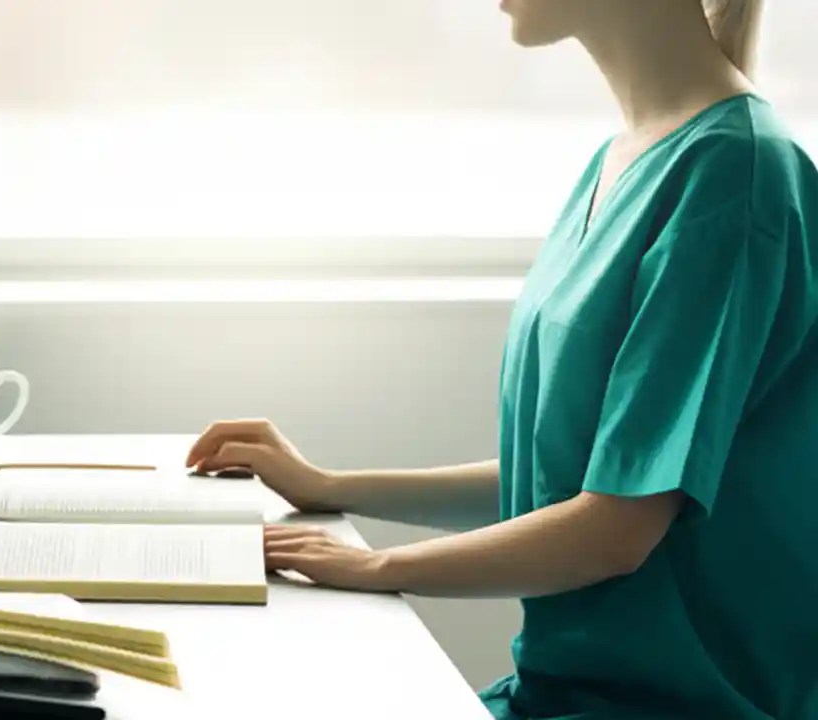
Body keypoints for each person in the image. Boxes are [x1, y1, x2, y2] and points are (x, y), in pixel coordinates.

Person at [186, 1, 818, 718]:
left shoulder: (736, 175)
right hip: (564, 695)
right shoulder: (624, 158)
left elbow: (616, 528)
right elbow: (564, 484)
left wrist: (375, 566)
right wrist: (332, 487)